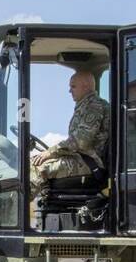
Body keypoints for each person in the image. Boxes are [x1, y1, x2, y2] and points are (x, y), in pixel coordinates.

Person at [30, 68, 110, 198]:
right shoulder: (85, 106)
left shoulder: (94, 106)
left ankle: (14, 212)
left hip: (90, 164)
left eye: (73, 86)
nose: (69, 90)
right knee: (31, 164)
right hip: (81, 159)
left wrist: (50, 152)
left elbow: (81, 142)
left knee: (37, 169)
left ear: (85, 86)